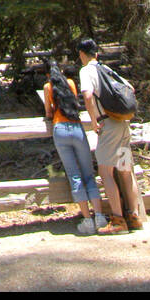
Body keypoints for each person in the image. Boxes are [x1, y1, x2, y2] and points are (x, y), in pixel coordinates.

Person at [78, 37, 142, 234]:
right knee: (125, 170)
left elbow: (87, 95)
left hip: (108, 125)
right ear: (96, 53)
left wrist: (94, 120)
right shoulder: (106, 69)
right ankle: (134, 217)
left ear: (81, 54)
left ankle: (117, 221)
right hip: (123, 123)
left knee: (105, 171)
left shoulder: (86, 71)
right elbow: (130, 89)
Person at [43, 58, 107, 235]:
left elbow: (48, 112)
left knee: (74, 175)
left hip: (59, 129)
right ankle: (99, 216)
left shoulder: (48, 87)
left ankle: (87, 220)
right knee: (88, 173)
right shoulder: (70, 83)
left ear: (46, 74)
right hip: (77, 128)